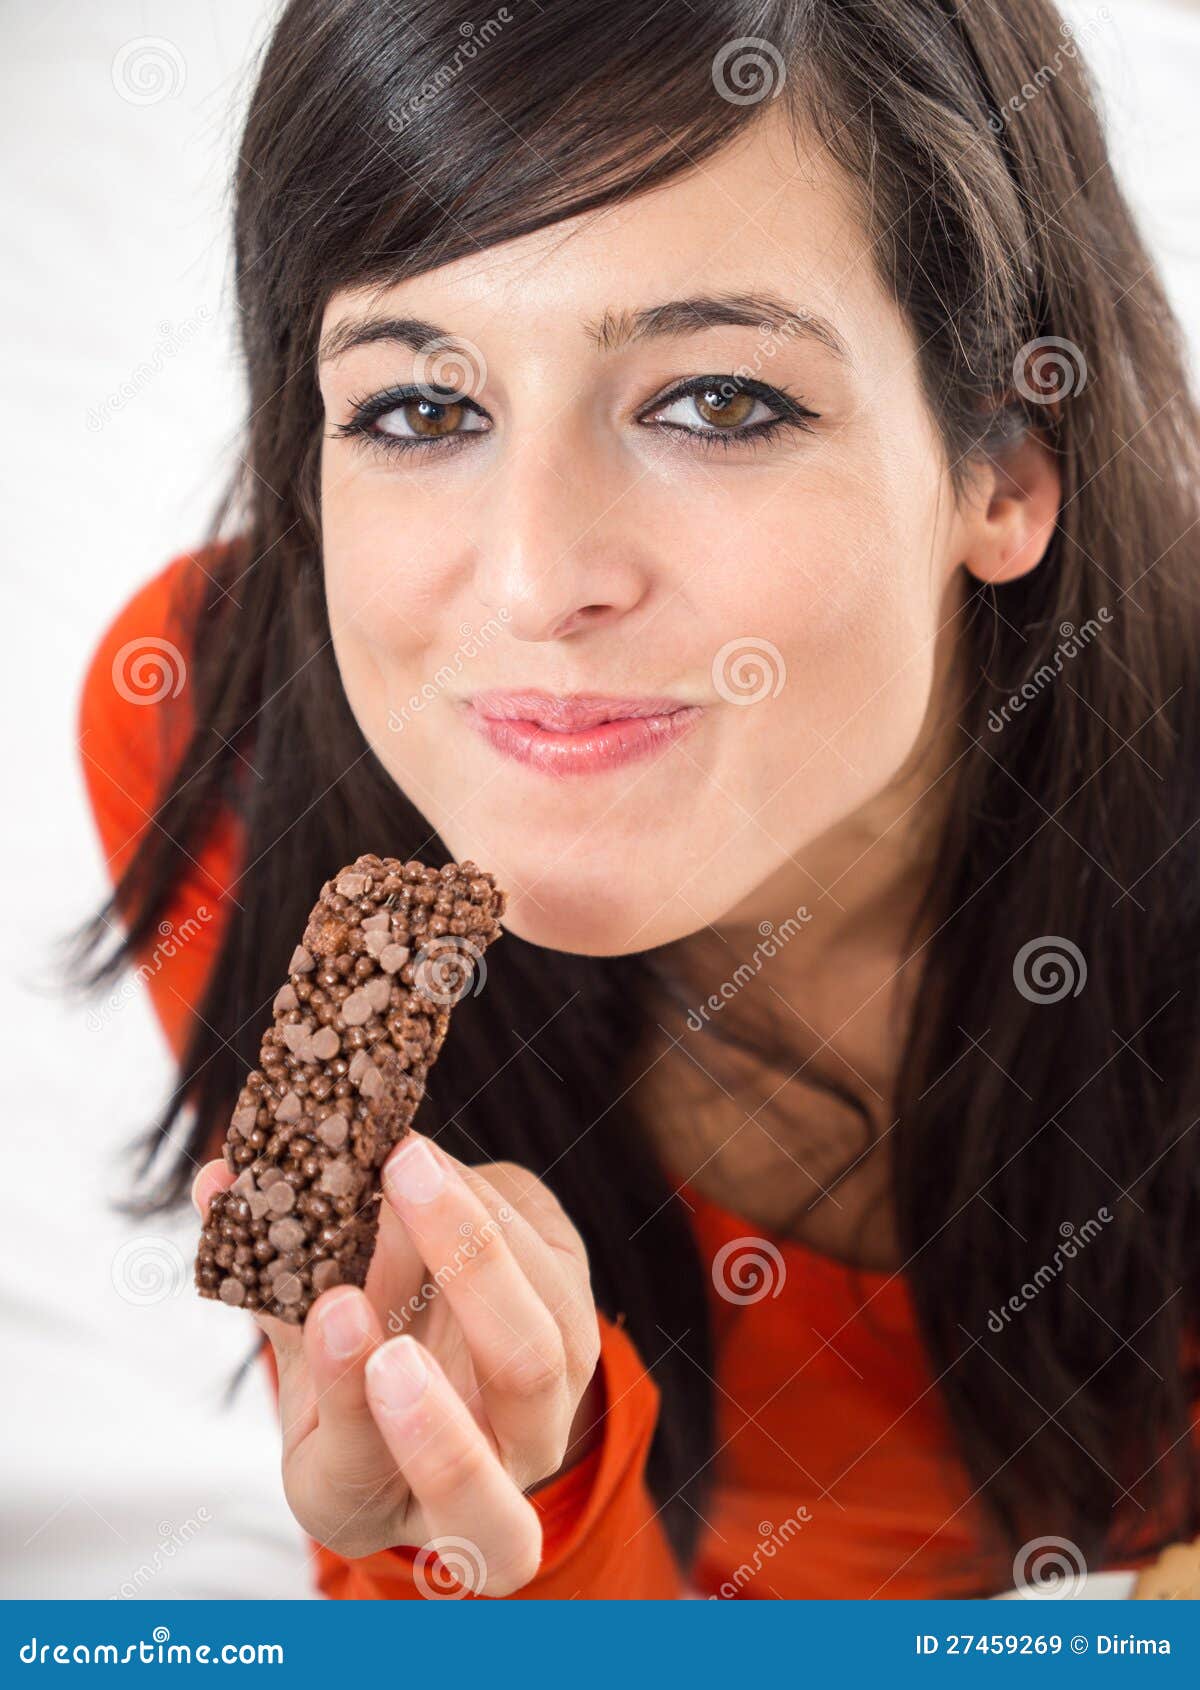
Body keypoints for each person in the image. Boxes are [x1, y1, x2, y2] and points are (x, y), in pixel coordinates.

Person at [78, 0, 1200, 1598]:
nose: (537, 582)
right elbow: (441, 1554)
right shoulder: (215, 730)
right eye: (420, 407)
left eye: (718, 402)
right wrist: (499, 1521)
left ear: (1004, 468)